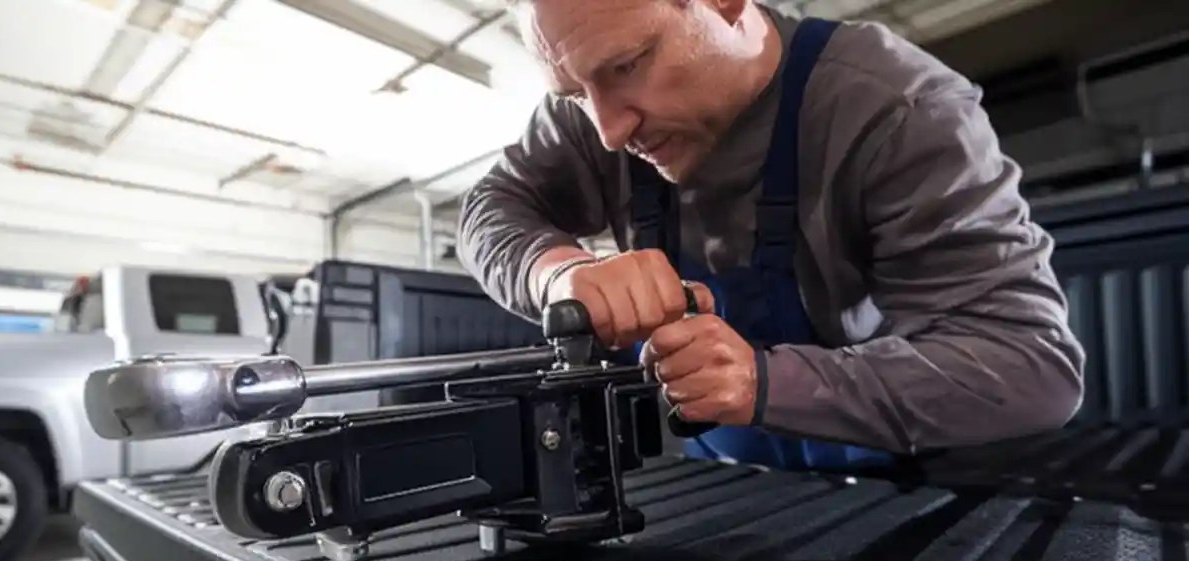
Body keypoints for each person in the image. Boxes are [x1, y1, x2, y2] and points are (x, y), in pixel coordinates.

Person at [456, 0, 1085, 471]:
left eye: (629, 65)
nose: (609, 130)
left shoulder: (895, 108)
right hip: (723, 496)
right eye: (575, 93)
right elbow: (489, 207)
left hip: (892, 497)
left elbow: (1030, 366)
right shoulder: (593, 110)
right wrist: (556, 272)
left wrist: (762, 383)